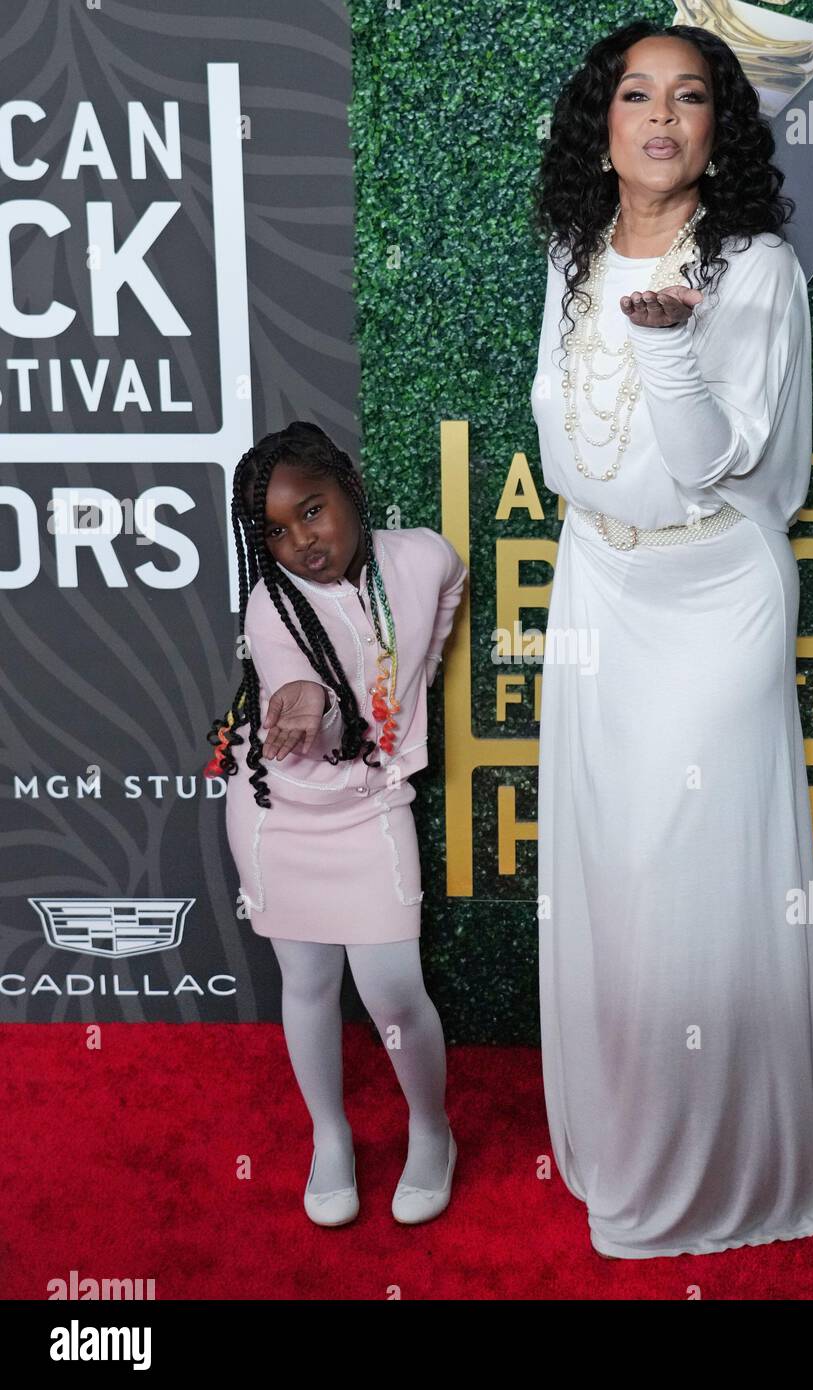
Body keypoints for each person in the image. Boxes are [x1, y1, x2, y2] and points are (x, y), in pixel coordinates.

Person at [530, 21, 813, 1259]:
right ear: (600, 123)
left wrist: (668, 344)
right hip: (596, 584)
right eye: (634, 95)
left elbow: (716, 457)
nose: (659, 118)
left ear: (720, 127)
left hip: (713, 597)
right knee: (611, 874)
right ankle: (621, 1129)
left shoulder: (757, 266)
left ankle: (720, 1171)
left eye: (690, 97)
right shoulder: (567, 250)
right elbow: (560, 426)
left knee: (689, 877)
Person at [204, 420, 468, 1227]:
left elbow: (447, 590)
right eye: (276, 534)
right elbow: (294, 689)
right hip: (281, 813)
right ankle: (330, 1137)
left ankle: (432, 1132)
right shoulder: (269, 605)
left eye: (312, 512)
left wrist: (417, 673)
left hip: (371, 806)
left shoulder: (424, 555)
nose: (301, 544)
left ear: (348, 487)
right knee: (309, 983)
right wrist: (306, 703)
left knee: (392, 992)